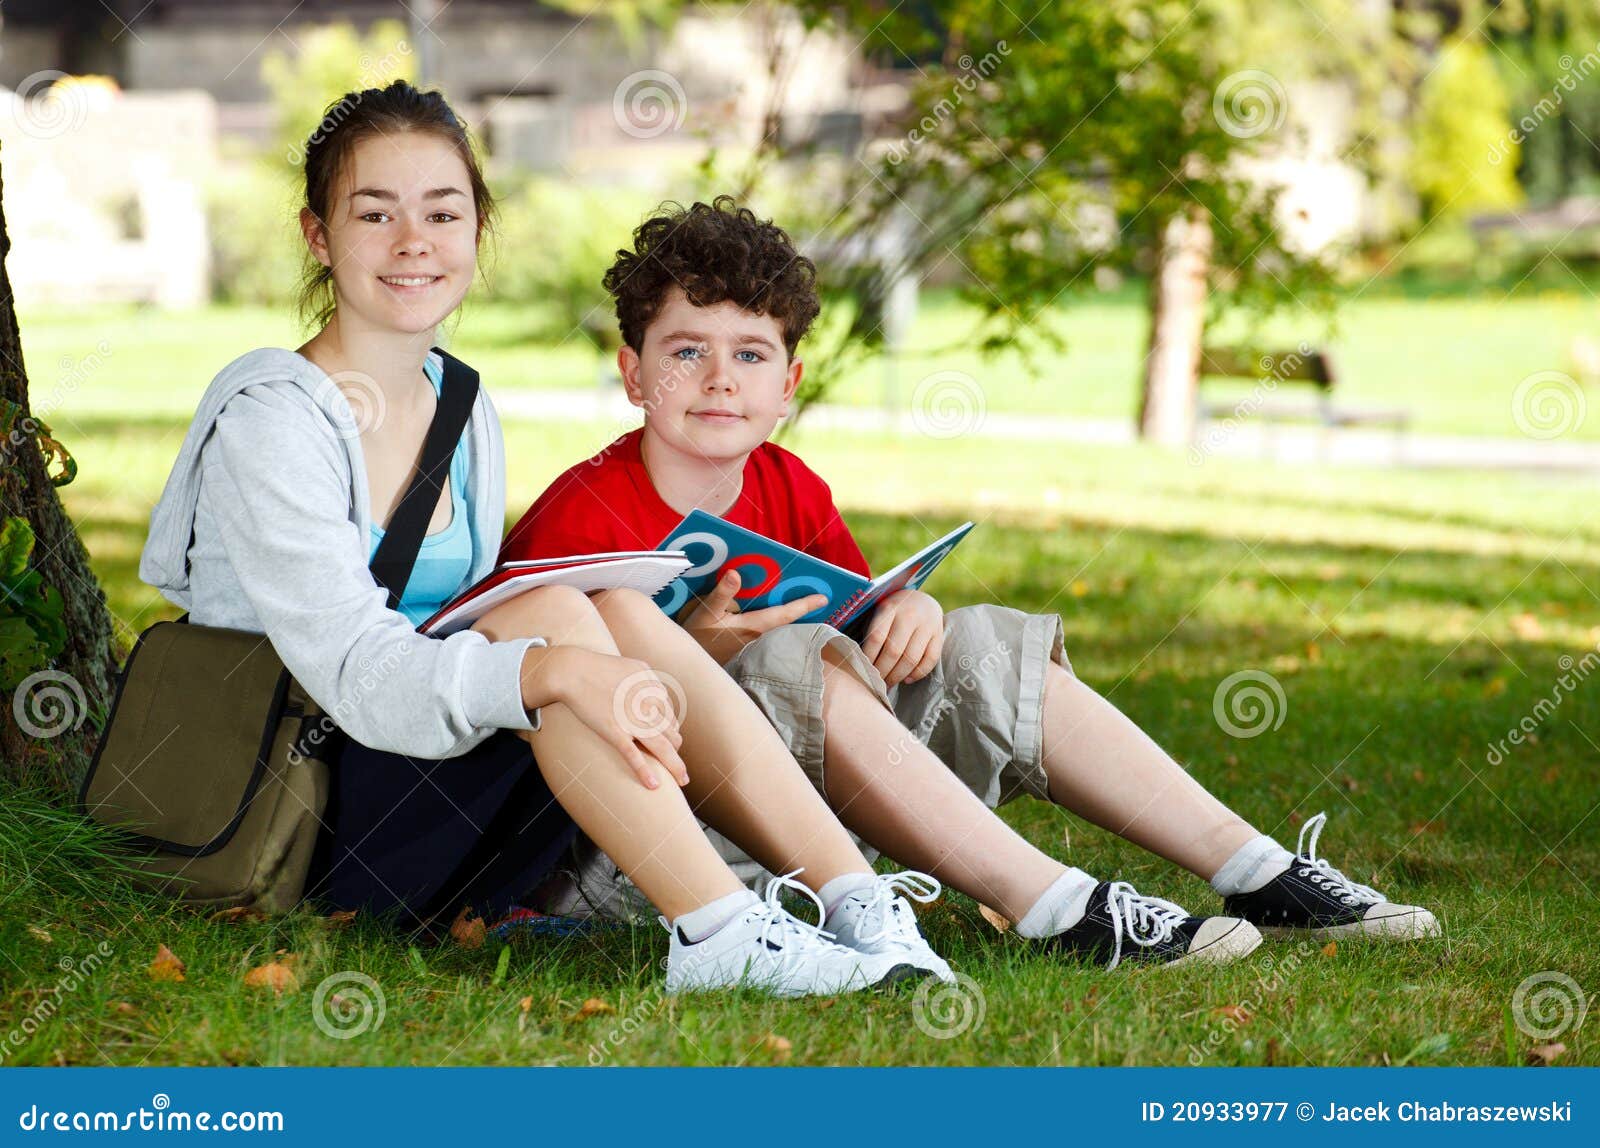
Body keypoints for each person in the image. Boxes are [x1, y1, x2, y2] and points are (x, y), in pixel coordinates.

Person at [136, 84, 952, 998]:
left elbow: (474, 621)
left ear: (476, 236)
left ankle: (853, 902)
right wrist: (549, 669)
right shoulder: (272, 423)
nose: (414, 241)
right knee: (564, 616)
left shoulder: (463, 403)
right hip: (304, 803)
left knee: (610, 609)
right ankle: (721, 925)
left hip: (443, 791)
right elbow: (361, 680)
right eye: (375, 213)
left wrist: (569, 656)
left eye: (443, 213)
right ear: (319, 236)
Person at [502, 196, 1440, 969]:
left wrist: (906, 614)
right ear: (633, 373)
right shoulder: (580, 513)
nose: (719, 379)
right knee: (787, 657)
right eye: (685, 351)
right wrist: (697, 656)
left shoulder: (791, 485)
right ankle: (1064, 910)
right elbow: (528, 721)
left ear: (788, 384)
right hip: (645, 853)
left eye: (749, 354)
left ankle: (1261, 871)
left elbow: (849, 657)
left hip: (813, 825)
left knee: (975, 635)